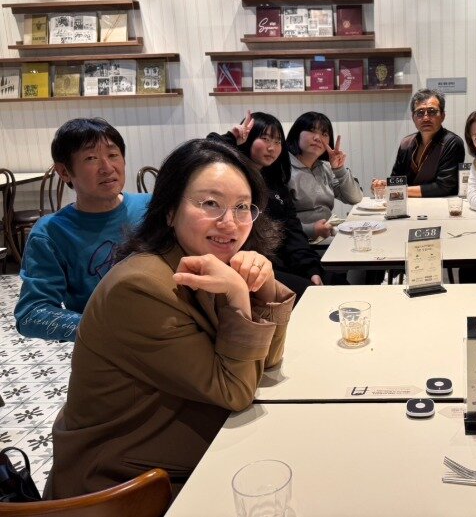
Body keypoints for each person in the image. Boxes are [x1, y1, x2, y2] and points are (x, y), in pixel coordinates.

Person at [45, 138, 295, 499]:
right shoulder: (140, 288)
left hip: (186, 453)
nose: (230, 222)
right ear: (169, 211)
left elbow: (266, 361)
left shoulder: (205, 262)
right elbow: (235, 391)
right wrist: (239, 297)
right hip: (124, 486)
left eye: (242, 206)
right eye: (210, 203)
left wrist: (266, 287)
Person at [14, 118, 151, 342]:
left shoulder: (152, 208)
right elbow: (31, 313)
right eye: (91, 158)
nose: (107, 168)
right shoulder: (50, 233)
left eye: (113, 155)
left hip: (169, 337)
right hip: (105, 348)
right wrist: (101, 329)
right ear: (64, 172)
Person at [209, 110, 324, 298]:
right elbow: (202, 154)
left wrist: (310, 268)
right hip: (248, 266)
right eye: (265, 139)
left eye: (277, 141)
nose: (272, 148)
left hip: (282, 262)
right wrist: (231, 138)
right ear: (248, 138)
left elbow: (292, 230)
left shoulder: (276, 183)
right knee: (312, 295)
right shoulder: (232, 177)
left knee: (332, 282)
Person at [285, 111, 363, 240]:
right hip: (299, 240)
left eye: (324, 134)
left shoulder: (325, 167)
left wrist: (339, 169)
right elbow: (277, 220)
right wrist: (311, 230)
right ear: (296, 133)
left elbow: (355, 198)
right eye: (311, 130)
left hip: (326, 236)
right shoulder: (284, 168)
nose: (317, 138)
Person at [379, 88, 465, 197]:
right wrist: (383, 186)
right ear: (413, 117)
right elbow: (396, 180)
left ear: (443, 116)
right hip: (408, 203)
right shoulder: (406, 143)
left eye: (432, 112)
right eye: (420, 113)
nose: (426, 118)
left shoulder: (452, 142)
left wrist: (396, 190)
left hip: (441, 203)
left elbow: (444, 186)